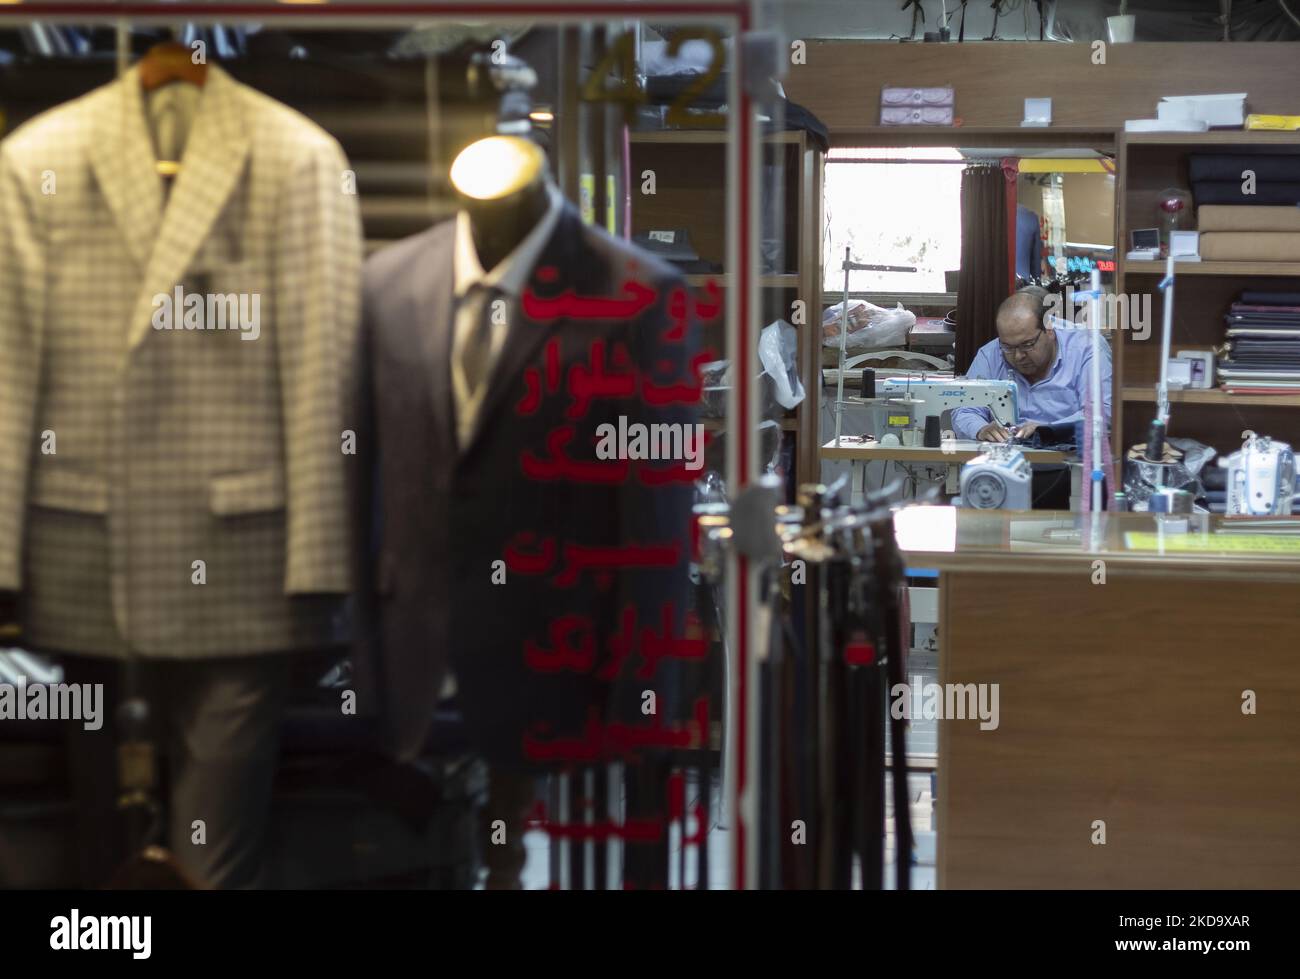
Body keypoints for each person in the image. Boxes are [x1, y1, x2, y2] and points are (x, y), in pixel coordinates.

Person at [951, 288, 1112, 507]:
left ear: (1049, 330)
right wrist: (980, 428)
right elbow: (963, 408)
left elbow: (1102, 411)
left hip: (1071, 472)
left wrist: (1048, 430)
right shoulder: (990, 355)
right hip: (1004, 474)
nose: (1018, 356)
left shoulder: (1087, 348)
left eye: (1027, 345)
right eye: (1008, 347)